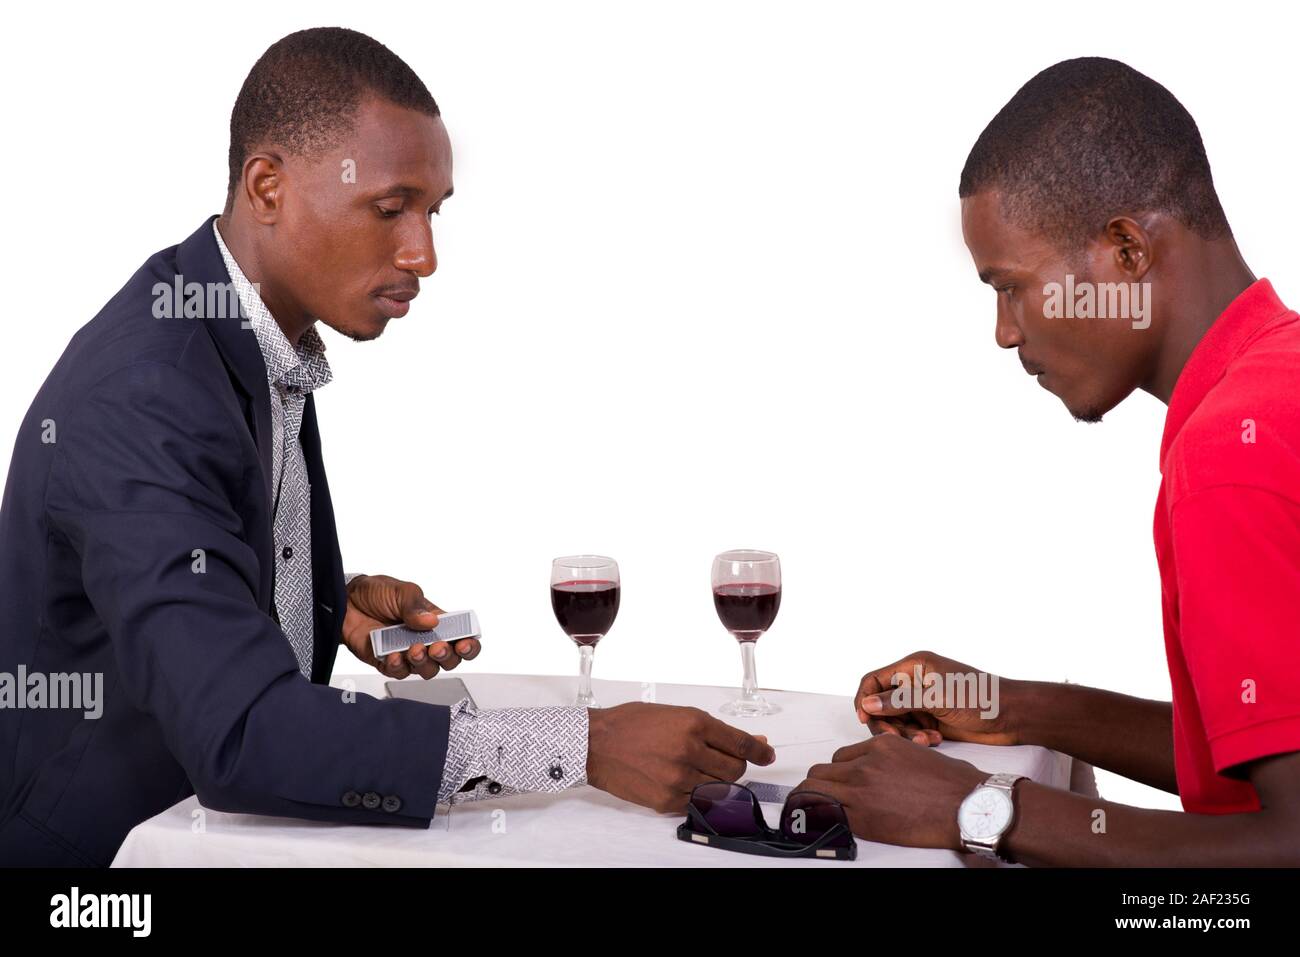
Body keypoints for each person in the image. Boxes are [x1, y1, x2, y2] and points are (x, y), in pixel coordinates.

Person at [0, 27, 773, 867]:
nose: (424, 254)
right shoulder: (146, 392)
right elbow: (242, 730)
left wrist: (316, 597)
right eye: (390, 207)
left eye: (432, 212)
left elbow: (173, 561)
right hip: (101, 859)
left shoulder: (241, 328)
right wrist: (581, 743)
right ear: (268, 186)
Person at [795, 58, 1300, 865]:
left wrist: (980, 807)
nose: (1004, 330)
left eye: (1013, 286)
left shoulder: (1227, 461)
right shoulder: (1280, 380)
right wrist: (1003, 705)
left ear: (1127, 252)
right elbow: (1252, 757)